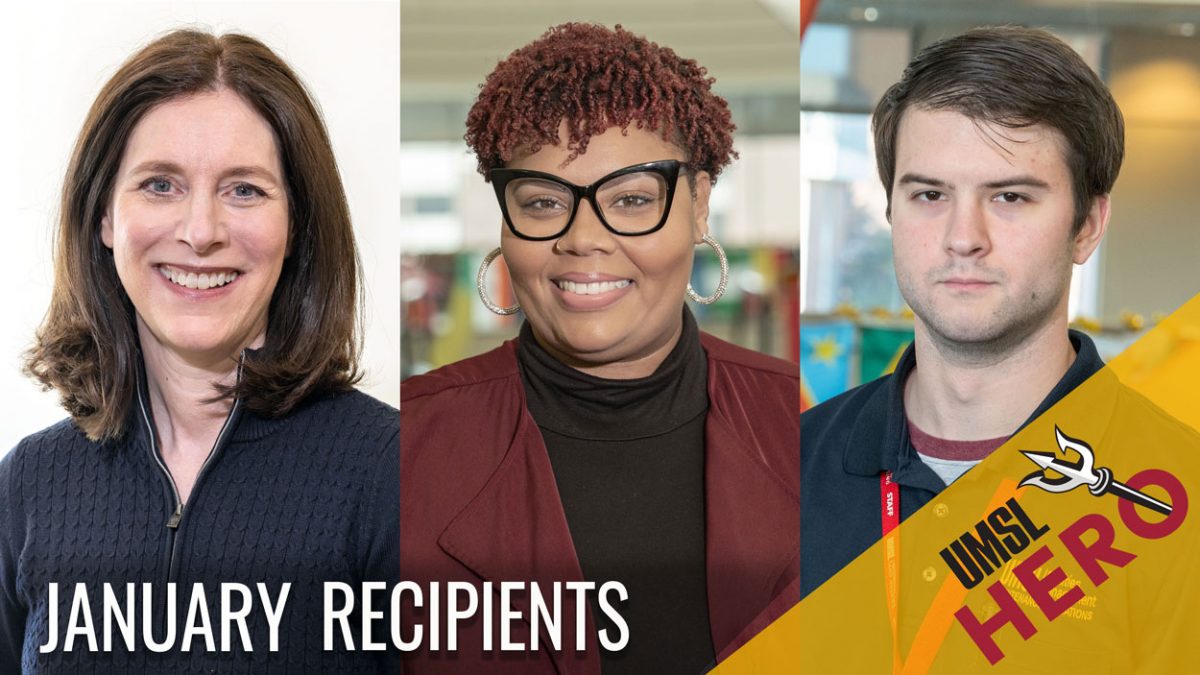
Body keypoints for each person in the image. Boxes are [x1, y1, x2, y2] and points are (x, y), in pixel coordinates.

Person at [400, 23, 799, 674]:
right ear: (506, 218)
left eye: (633, 199)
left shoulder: (809, 427)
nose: (584, 238)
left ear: (698, 205)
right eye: (543, 201)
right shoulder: (402, 449)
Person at [0, 30, 398, 673]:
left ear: (295, 224)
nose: (200, 232)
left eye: (244, 190)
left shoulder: (391, 475)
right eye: (161, 185)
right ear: (104, 216)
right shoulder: (28, 486)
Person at [801, 27, 1122, 596]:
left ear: (1088, 226)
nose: (963, 238)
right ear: (892, 211)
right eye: (930, 195)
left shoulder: (1168, 494)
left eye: (1010, 197)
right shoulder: (784, 470)